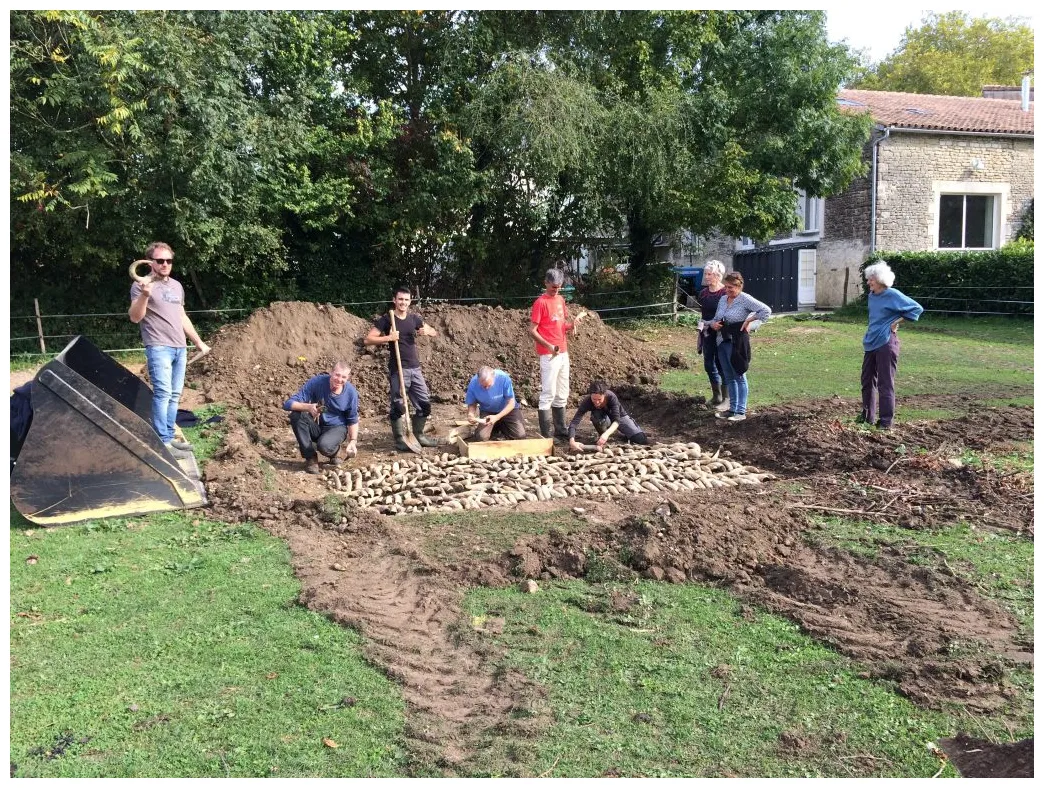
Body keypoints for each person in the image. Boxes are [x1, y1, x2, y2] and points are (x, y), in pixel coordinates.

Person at [128, 242, 210, 456]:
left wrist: (198, 342)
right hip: (159, 347)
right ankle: (162, 443)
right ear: (150, 262)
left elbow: (182, 317)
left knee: (174, 395)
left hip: (179, 348)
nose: (165, 264)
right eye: (160, 260)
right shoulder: (141, 284)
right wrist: (145, 294)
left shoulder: (176, 286)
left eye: (168, 260)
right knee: (163, 393)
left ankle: (169, 438)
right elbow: (135, 317)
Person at [363, 286, 439, 451]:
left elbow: (434, 332)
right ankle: (399, 440)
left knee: (424, 404)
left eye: (406, 299)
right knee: (398, 406)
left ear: (410, 301)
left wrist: (428, 331)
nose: (403, 302)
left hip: (415, 368)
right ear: (394, 300)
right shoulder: (387, 319)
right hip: (398, 369)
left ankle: (418, 435)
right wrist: (389, 337)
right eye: (400, 299)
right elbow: (368, 340)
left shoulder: (414, 319)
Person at [860, 261, 923, 430]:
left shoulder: (892, 294)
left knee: (885, 383)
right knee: (866, 381)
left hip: (887, 343)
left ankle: (886, 422)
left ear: (880, 279)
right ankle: (867, 418)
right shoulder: (872, 296)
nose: (868, 282)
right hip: (871, 342)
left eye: (870, 279)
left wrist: (896, 321)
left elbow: (916, 308)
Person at [530, 268, 588, 439]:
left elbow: (560, 325)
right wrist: (549, 346)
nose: (556, 290)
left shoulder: (561, 300)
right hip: (549, 354)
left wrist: (572, 325)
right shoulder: (540, 303)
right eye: (553, 287)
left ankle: (561, 430)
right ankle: (547, 435)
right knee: (548, 392)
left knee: (562, 392)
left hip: (563, 352)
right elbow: (532, 330)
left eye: (558, 287)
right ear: (546, 283)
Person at [710, 272, 771, 422]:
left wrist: (751, 320)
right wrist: (713, 324)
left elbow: (766, 311)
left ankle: (741, 411)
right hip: (721, 340)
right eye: (726, 287)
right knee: (728, 376)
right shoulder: (723, 299)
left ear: (739, 286)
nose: (727, 290)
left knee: (739, 375)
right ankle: (732, 409)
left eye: (731, 287)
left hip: (736, 342)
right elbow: (717, 317)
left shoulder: (745, 299)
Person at [282, 361, 360, 474]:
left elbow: (352, 419)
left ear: (348, 378)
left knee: (324, 446)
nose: (339, 380)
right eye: (337, 375)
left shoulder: (351, 393)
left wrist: (353, 441)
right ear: (331, 372)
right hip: (318, 426)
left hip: (337, 428)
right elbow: (288, 404)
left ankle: (335, 452)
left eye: (343, 377)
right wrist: (308, 407)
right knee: (296, 415)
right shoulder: (317, 382)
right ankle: (311, 458)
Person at [567, 380, 648, 451]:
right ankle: (603, 434)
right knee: (596, 416)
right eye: (594, 399)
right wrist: (572, 441)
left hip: (619, 417)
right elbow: (574, 422)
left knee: (640, 439)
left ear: (604, 395)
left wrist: (606, 435)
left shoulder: (611, 396)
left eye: (599, 399)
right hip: (602, 418)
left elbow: (617, 420)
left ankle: (618, 434)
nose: (597, 402)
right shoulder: (587, 402)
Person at [696, 260, 729, 410]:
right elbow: (703, 314)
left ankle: (727, 399)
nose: (707, 277)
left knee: (722, 364)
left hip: (722, 334)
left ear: (718, 275)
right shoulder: (703, 294)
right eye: (706, 274)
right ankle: (717, 396)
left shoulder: (725, 293)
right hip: (708, 333)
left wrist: (720, 325)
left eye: (709, 274)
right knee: (709, 364)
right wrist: (701, 328)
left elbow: (729, 314)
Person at [464, 366, 526, 441]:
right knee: (481, 437)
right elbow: (472, 403)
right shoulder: (473, 383)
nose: (486, 388)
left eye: (489, 385)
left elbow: (511, 403)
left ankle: (500, 425)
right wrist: (471, 414)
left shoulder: (503, 378)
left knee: (520, 436)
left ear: (494, 377)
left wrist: (497, 417)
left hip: (507, 409)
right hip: (488, 411)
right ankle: (495, 427)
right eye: (483, 386)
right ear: (478, 380)